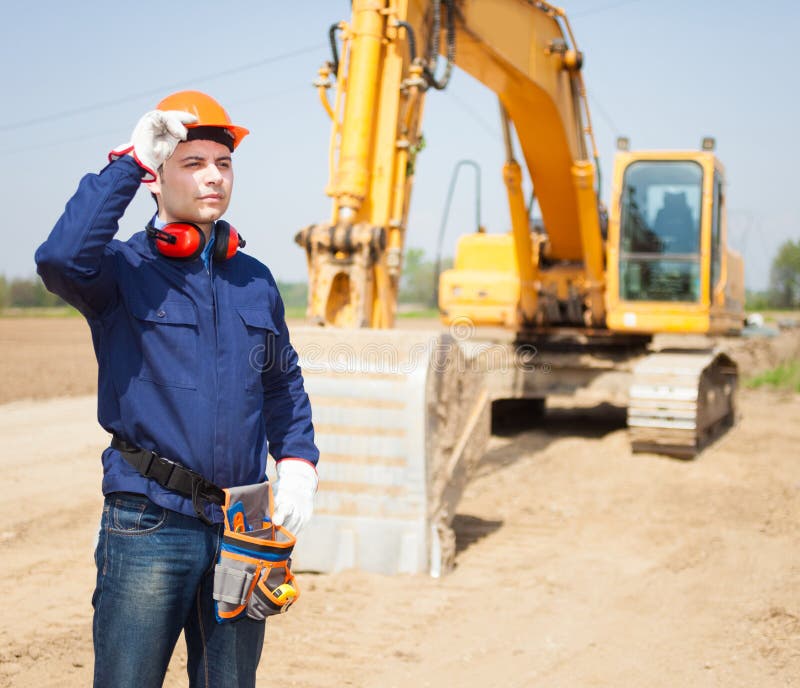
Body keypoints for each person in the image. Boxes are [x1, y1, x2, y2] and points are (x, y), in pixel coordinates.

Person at [35, 90, 319, 688]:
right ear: (157, 177)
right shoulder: (121, 272)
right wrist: (126, 162)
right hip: (148, 521)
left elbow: (281, 383)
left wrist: (297, 461)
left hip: (244, 525)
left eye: (223, 162)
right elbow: (60, 259)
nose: (213, 177)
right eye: (192, 163)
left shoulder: (256, 279)